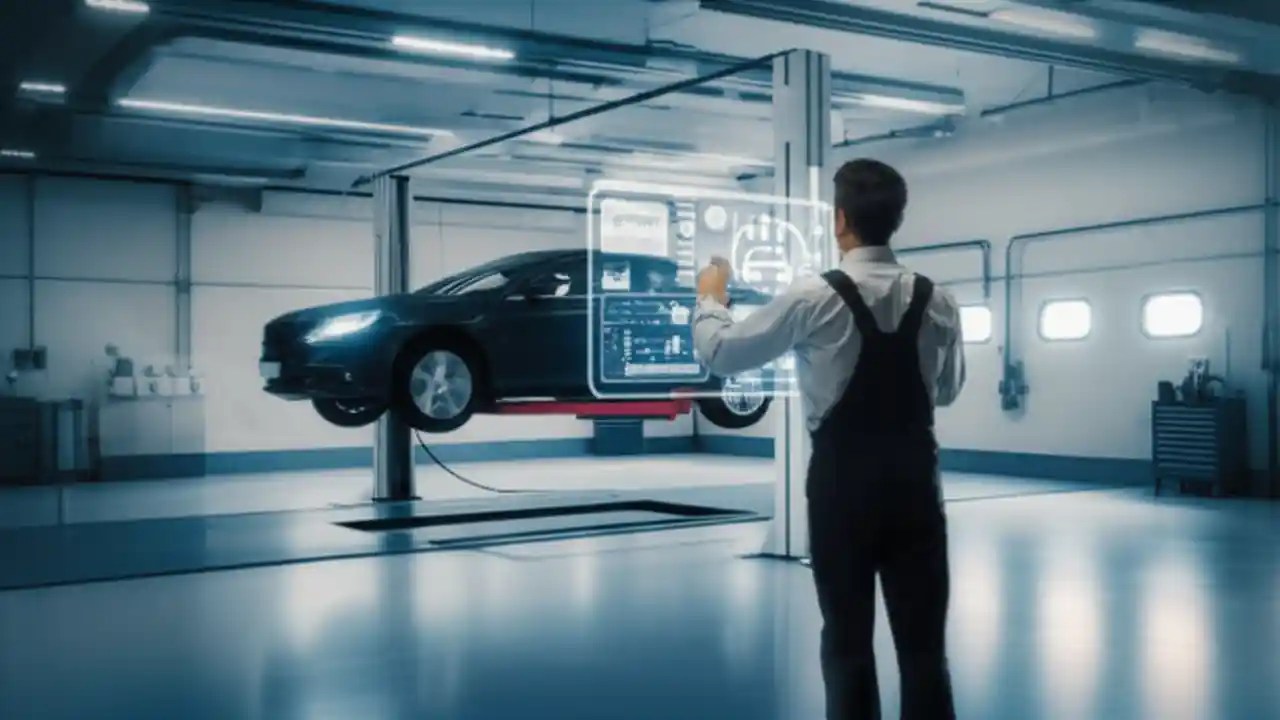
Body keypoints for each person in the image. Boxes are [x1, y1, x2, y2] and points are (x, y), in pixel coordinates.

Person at [691, 159, 965, 720]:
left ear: (839, 220)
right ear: (897, 218)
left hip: (842, 494)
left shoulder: (812, 297)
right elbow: (950, 390)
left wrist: (710, 298)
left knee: (846, 645)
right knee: (924, 653)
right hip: (916, 492)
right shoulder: (940, 300)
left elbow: (721, 354)